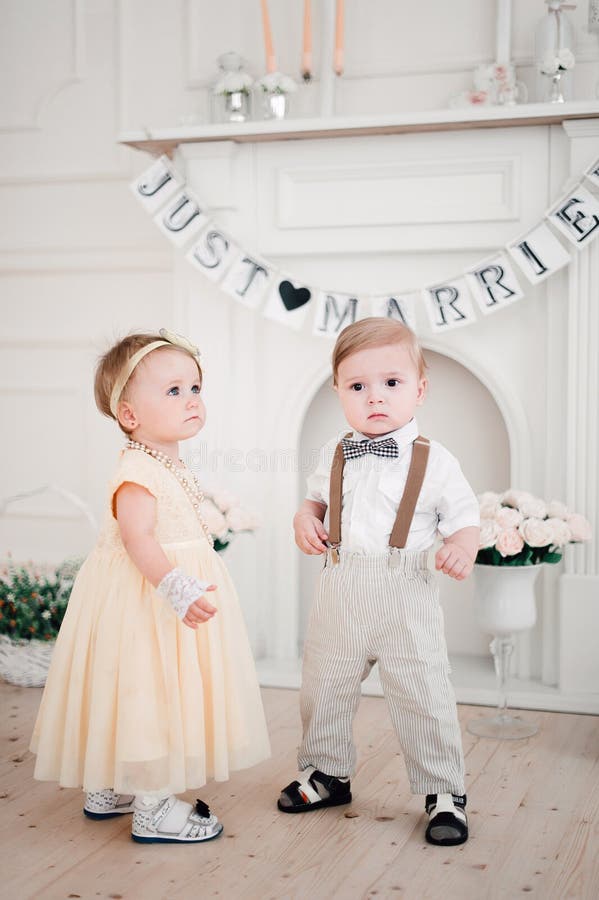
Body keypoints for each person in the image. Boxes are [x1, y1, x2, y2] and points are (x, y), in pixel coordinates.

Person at [31, 328, 270, 844]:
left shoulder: (163, 459)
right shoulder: (137, 471)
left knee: (133, 690)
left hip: (153, 597)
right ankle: (155, 807)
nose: (191, 400)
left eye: (195, 387)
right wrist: (177, 586)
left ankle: (110, 785)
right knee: (155, 694)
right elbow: (137, 537)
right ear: (129, 416)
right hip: (150, 601)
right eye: (173, 390)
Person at [277, 317, 480, 846]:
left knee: (422, 692)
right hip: (340, 588)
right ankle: (327, 772)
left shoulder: (436, 462)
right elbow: (314, 500)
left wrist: (460, 547)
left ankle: (443, 791)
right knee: (324, 685)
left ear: (420, 388)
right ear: (339, 390)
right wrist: (305, 519)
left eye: (391, 383)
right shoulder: (335, 451)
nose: (375, 398)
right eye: (358, 386)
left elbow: (465, 519)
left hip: (404, 592)